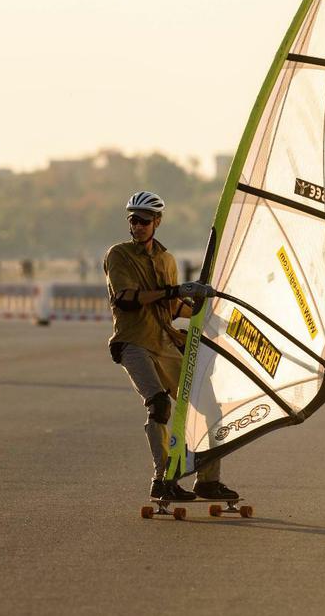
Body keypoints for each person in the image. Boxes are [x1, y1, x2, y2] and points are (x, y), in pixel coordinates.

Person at [105, 190, 234, 503]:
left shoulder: (166, 260)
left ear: (157, 222)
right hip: (133, 342)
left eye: (144, 221)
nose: (137, 226)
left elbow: (174, 308)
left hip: (165, 342)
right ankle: (162, 480)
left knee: (209, 406)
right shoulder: (118, 255)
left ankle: (208, 481)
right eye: (133, 220)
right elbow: (127, 298)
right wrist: (174, 290)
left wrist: (203, 303)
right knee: (160, 405)